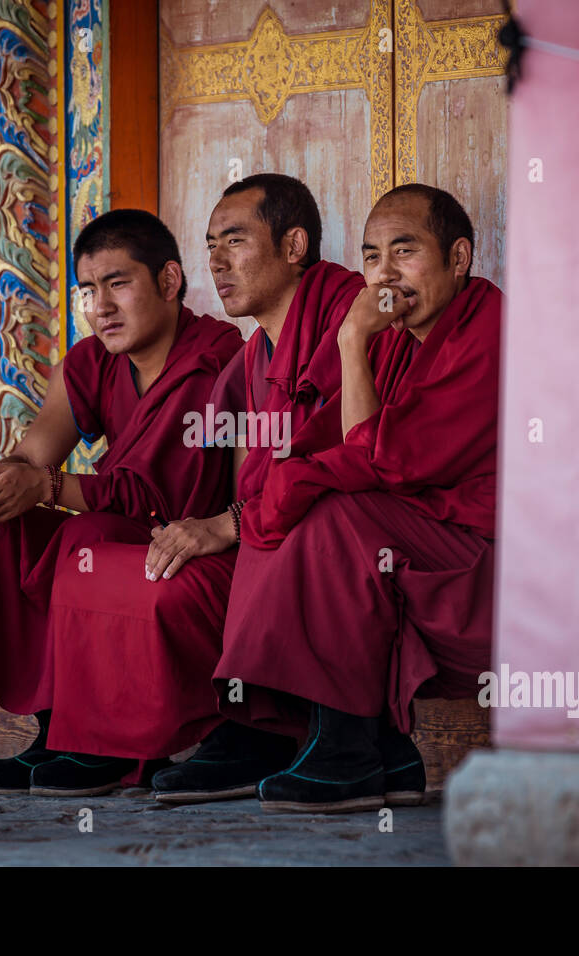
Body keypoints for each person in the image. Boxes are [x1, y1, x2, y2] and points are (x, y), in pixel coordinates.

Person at [43, 175, 364, 800]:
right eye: (210, 244)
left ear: (294, 244)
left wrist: (232, 525)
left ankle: (273, 731)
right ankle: (102, 738)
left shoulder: (343, 317)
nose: (214, 262)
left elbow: (345, 455)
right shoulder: (252, 357)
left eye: (235, 241)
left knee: (233, 557)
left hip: (334, 532)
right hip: (267, 529)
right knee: (98, 557)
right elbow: (252, 482)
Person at [190, 183, 502, 813]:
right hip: (425, 541)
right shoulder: (399, 341)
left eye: (405, 251)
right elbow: (322, 441)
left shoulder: (490, 333)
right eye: (371, 256)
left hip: (496, 569)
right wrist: (270, 496)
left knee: (335, 515)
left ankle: (350, 749)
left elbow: (379, 460)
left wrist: (350, 342)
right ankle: (348, 744)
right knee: (280, 501)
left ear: (460, 257)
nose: (384, 273)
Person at [0, 208, 242, 797]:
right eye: (88, 290)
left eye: (119, 284)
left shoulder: (214, 359)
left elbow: (162, 502)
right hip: (131, 536)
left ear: (170, 282)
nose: (101, 307)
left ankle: (107, 743)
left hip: (199, 545)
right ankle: (57, 730)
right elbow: (33, 454)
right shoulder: (93, 361)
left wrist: (46, 488)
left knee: (84, 537)